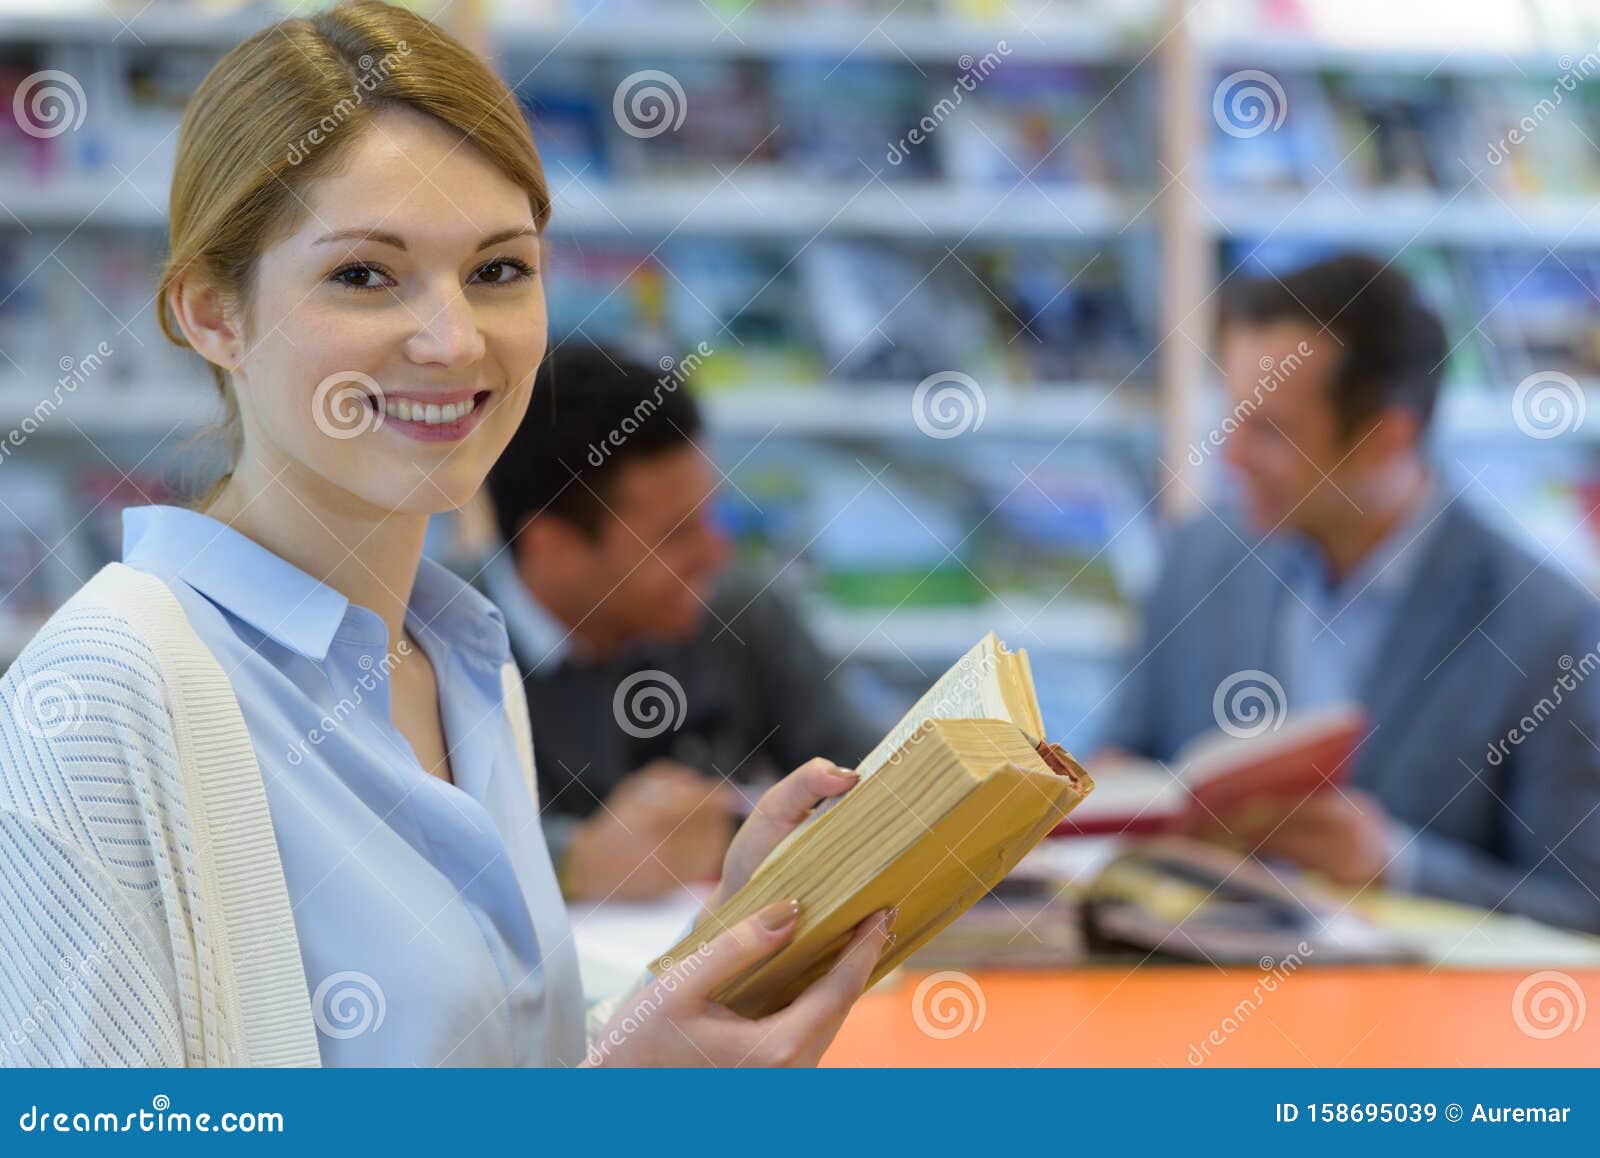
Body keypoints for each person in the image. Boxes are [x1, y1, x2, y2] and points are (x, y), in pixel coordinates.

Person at [0, 0, 891, 1067]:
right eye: (363, 274)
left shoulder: (459, 659)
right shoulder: (102, 696)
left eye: (498, 270)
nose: (454, 339)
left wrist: (713, 964)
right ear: (210, 313)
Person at [1101, 254, 1600, 933]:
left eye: (1270, 431)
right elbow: (1126, 755)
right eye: (1233, 416)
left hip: (1411, 1027)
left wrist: (1399, 866)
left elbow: (1581, 911)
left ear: (1385, 439)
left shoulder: (1547, 627)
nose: (1231, 456)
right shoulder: (1201, 558)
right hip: (1191, 991)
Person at [477, 345, 882, 901]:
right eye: (675, 535)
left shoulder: (741, 614)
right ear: (553, 548)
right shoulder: (424, 646)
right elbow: (393, 862)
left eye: (709, 516)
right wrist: (573, 862)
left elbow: (880, 783)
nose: (716, 553)